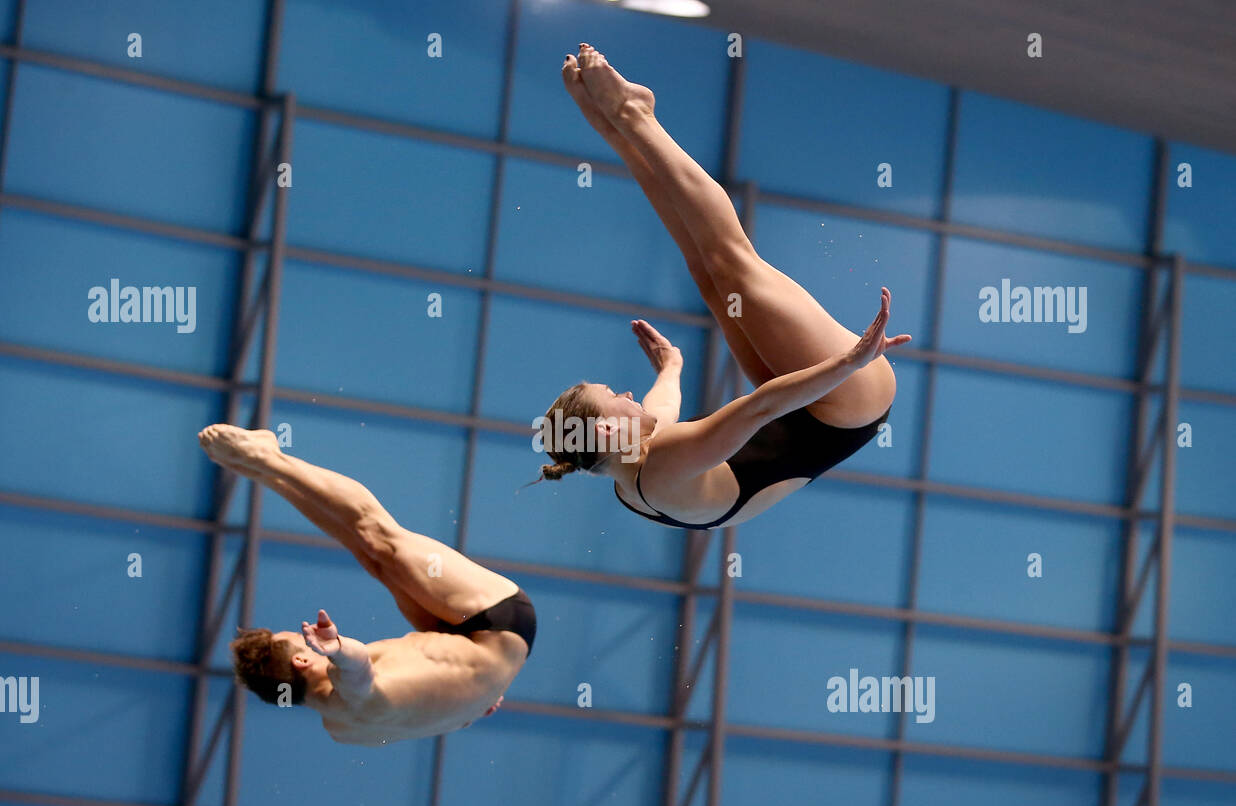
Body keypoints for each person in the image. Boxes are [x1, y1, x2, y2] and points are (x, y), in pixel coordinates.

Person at [537, 44, 911, 529]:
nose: (629, 393)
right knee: (733, 265)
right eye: (615, 394)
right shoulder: (662, 462)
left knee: (710, 278)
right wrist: (850, 361)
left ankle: (612, 126)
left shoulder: (630, 477)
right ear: (607, 427)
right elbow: (761, 407)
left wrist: (671, 369)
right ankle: (634, 115)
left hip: (812, 412)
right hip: (844, 399)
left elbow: (660, 416)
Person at [199, 424, 535, 745]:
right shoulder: (348, 694)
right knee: (379, 538)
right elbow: (359, 673)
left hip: (478, 652)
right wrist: (339, 649)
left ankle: (260, 470)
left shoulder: (342, 730)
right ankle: (267, 459)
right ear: (302, 661)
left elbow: (425, 711)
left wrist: (478, 700)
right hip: (498, 617)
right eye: (300, 641)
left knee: (371, 557)